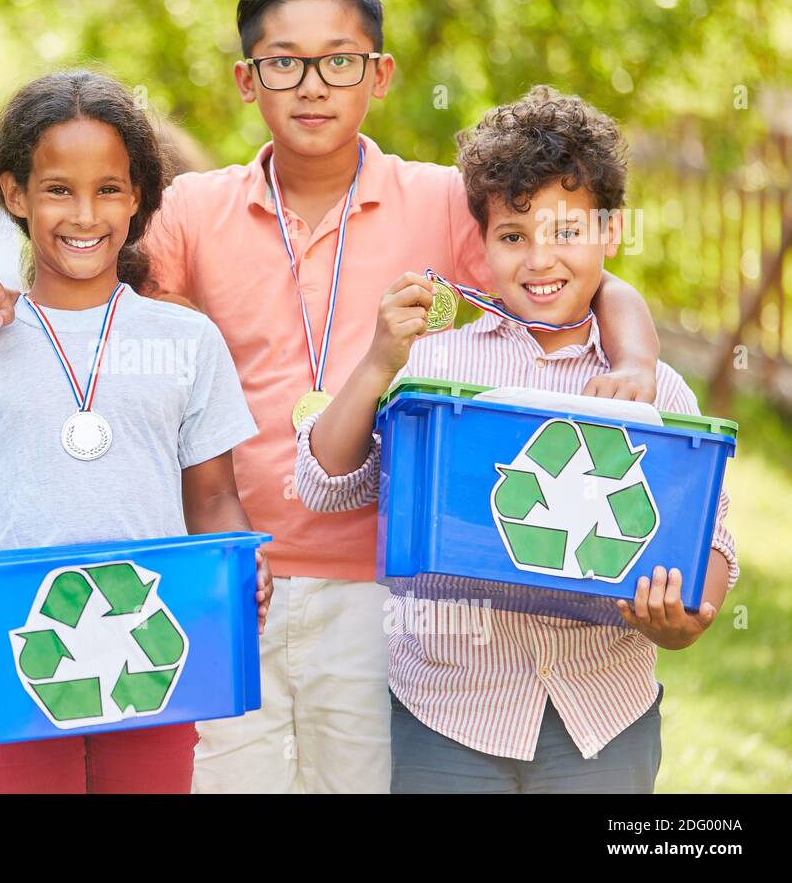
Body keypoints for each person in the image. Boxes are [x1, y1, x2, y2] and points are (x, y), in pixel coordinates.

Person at [0, 0, 664, 793]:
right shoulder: (196, 208)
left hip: (384, 586)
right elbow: (85, 292)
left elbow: (583, 275)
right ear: (247, 79)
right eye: (284, 62)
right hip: (229, 578)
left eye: (339, 60)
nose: (313, 86)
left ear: (378, 75)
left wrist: (635, 361)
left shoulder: (444, 201)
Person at [296, 85, 738, 793]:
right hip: (449, 712)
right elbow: (326, 482)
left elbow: (711, 541)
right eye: (514, 235)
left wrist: (684, 622)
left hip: (605, 714)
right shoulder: (438, 365)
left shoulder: (654, 391)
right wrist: (381, 359)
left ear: (611, 234)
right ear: (484, 242)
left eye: (568, 232)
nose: (540, 260)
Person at [0, 70, 271, 794]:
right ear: (15, 195)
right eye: (59, 188)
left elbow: (214, 499)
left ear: (138, 198)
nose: (84, 213)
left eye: (108, 189)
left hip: (154, 652)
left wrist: (240, 565)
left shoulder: (187, 340)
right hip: (19, 655)